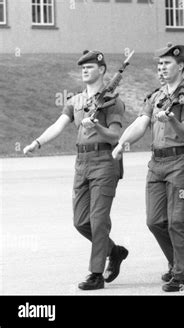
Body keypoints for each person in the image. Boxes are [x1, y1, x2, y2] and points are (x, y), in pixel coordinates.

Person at [23, 50, 128, 290]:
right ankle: (115, 251)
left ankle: (96, 273)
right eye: (82, 67)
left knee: (99, 221)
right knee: (81, 222)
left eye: (90, 67)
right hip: (82, 163)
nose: (84, 70)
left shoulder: (113, 100)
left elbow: (115, 136)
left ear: (102, 70)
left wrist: (97, 127)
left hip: (104, 162)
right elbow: (58, 125)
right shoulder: (76, 101)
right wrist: (37, 143)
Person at [112, 43, 184, 292]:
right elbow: (140, 124)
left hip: (181, 163)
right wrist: (122, 143)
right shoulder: (156, 96)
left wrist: (172, 119)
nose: (161, 68)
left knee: (176, 222)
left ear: (181, 65)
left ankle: (180, 275)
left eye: (167, 64)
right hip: (157, 164)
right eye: (159, 64)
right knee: (154, 221)